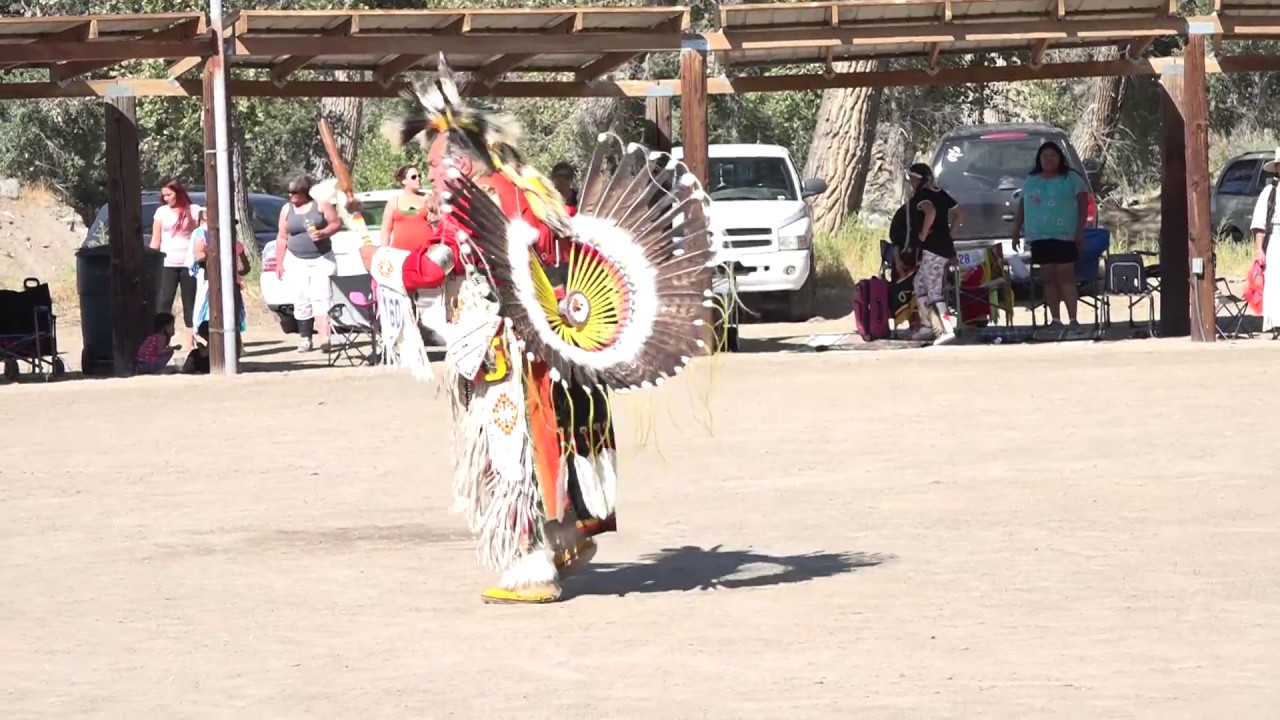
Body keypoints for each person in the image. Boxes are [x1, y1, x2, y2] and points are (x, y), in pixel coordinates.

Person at [361, 54, 713, 604]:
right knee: (548, 442)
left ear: (461, 164)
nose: (431, 179)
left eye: (434, 169)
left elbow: (439, 265)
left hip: (500, 353)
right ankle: (566, 539)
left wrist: (378, 259)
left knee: (510, 456)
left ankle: (529, 566)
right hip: (549, 348)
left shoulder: (473, 205)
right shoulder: (528, 191)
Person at [1012, 141, 1090, 339]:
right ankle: (1055, 320)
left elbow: (1083, 205)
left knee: (1066, 278)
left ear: (1060, 158)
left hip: (1065, 235)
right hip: (1039, 236)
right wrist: (1016, 230)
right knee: (1048, 280)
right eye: (1044, 156)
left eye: (1052, 156)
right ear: (1039, 159)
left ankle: (1073, 321)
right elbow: (1022, 204)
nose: (1048, 160)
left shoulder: (1071, 178)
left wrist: (1080, 231)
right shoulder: (1031, 179)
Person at [274, 174, 341, 352]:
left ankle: (325, 338)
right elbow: (282, 237)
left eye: (295, 192)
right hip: (296, 260)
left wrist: (324, 233)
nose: (291, 195)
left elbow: (335, 223)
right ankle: (305, 338)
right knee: (301, 298)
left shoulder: (320, 205)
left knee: (322, 298)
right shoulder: (287, 210)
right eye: (289, 192)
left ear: (305, 192)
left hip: (322, 258)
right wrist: (278, 263)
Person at [904, 163, 963, 345]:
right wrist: (949, 233)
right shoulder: (940, 193)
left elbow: (930, 211)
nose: (911, 182)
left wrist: (923, 233)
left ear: (918, 179)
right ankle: (927, 325)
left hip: (933, 249)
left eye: (912, 178)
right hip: (942, 246)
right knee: (919, 283)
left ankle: (946, 328)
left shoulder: (923, 195)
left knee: (933, 288)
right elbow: (961, 213)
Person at [190, 210, 249, 357]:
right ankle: (221, 345)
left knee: (227, 315)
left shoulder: (232, 244)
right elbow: (246, 266)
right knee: (219, 315)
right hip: (218, 282)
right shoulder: (232, 244)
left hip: (225, 284)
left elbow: (246, 267)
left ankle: (235, 347)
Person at [151, 179, 199, 351]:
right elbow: (156, 239)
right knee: (164, 303)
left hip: (189, 264)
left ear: (178, 193)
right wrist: (151, 261)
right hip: (167, 264)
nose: (166, 199)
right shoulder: (161, 213)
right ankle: (160, 342)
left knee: (190, 303)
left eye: (169, 195)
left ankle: (191, 343)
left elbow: (204, 233)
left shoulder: (193, 210)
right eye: (163, 196)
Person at [1251, 151, 1280, 331]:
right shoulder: (1270, 192)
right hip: (1276, 239)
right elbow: (1259, 223)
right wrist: (1259, 249)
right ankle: (1277, 322)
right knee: (1275, 281)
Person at [379, 164, 437, 251]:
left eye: (419, 176)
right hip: (400, 254)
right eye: (413, 177)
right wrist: (384, 251)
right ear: (404, 181)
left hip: (426, 251)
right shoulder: (394, 202)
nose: (418, 179)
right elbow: (386, 229)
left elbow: (440, 222)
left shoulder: (427, 198)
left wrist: (435, 218)